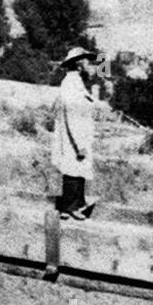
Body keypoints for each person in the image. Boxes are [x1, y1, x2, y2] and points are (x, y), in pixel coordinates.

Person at [52, 46, 97, 219]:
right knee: (73, 168)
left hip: (79, 135)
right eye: (86, 61)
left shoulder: (76, 82)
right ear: (79, 64)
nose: (90, 64)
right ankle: (68, 207)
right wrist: (79, 144)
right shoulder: (71, 84)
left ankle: (77, 203)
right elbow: (72, 116)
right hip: (74, 137)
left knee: (79, 169)